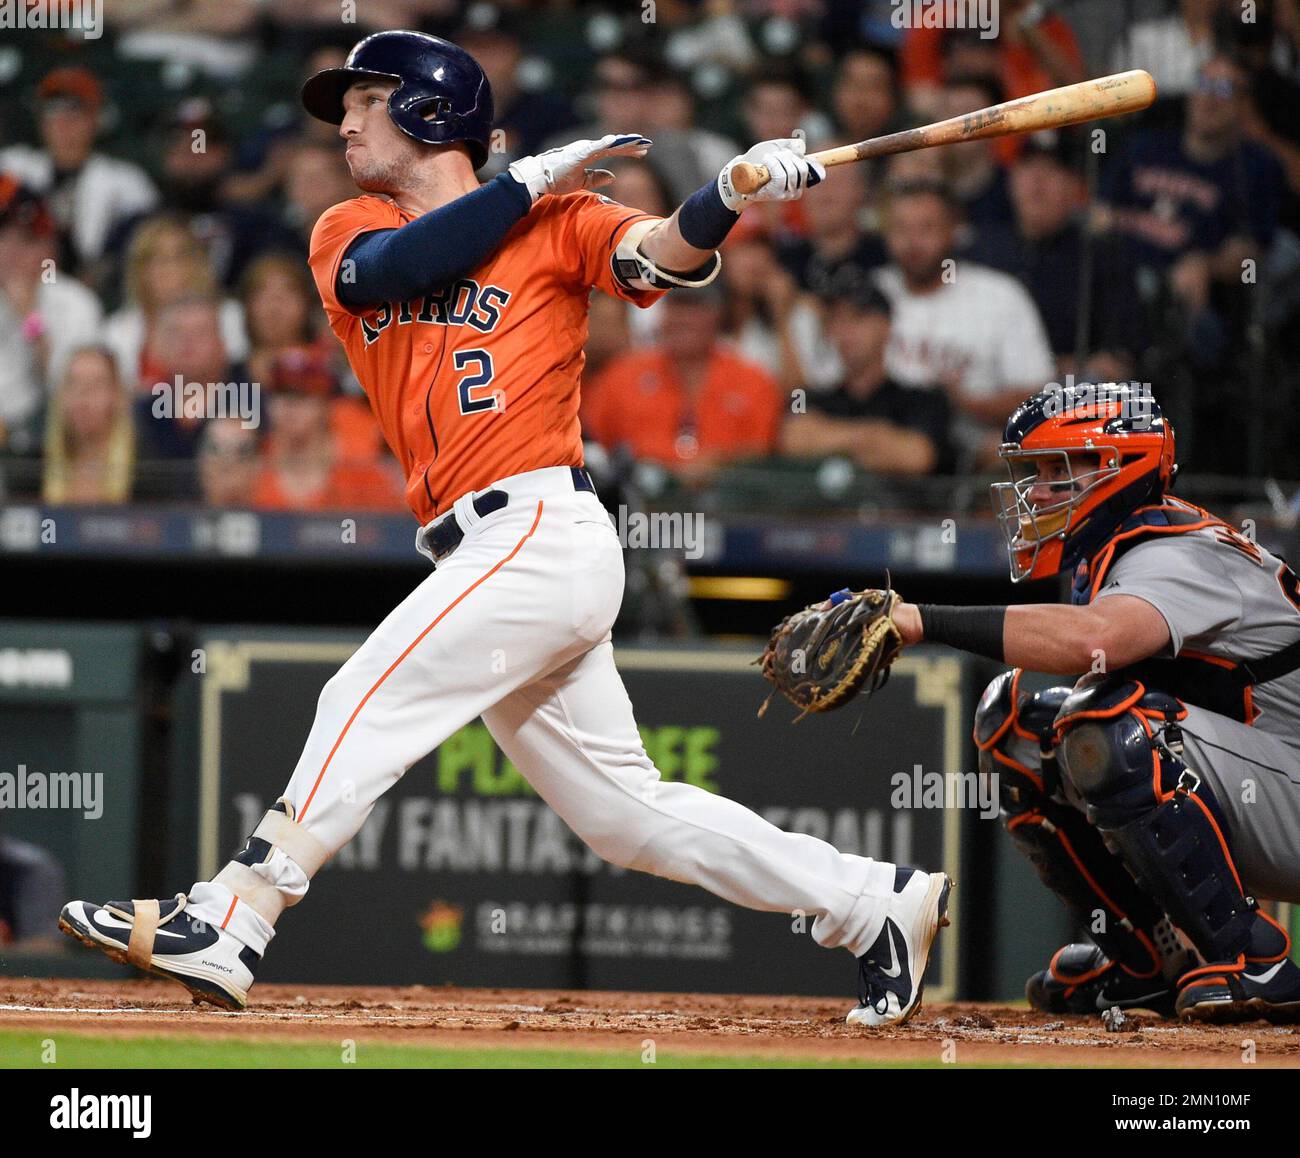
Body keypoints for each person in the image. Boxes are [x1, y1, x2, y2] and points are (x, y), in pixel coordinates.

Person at [59, 30, 950, 1030]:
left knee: (365, 690)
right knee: (625, 817)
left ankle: (236, 910)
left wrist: (727, 197)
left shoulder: (561, 219)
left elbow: (657, 261)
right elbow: (390, 272)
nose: (343, 121)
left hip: (538, 526)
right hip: (483, 548)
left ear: (430, 109)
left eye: (363, 100)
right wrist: (519, 183)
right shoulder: (347, 225)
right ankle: (870, 903)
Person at [883, 382, 1300, 1023]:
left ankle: (1253, 959)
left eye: (1058, 470)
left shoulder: (1174, 550)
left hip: (1289, 789)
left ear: (1118, 468)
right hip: (1271, 782)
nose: (1036, 492)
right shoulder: (1120, 549)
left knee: (1110, 722)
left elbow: (1095, 642)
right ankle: (1144, 964)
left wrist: (918, 620)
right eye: (1036, 472)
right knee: (1017, 715)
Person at [873, 180, 1054, 464]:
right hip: (885, 452)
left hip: (972, 455)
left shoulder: (999, 295)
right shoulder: (868, 294)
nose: (913, 242)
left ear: (954, 230)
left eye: (926, 228)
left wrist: (969, 405)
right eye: (901, 228)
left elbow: (1040, 399)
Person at [584, 286, 784, 487]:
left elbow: (764, 452)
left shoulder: (753, 380)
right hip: (638, 504)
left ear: (718, 315)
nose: (683, 319)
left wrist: (719, 461)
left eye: (694, 308)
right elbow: (591, 446)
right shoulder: (620, 376)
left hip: (730, 504)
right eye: (676, 307)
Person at [0, 67, 158, 288]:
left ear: (96, 120)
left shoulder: (127, 181)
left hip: (98, 289)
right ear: (41, 122)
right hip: (21, 283)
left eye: (76, 113)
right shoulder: (12, 167)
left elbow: (147, 245)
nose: (64, 124)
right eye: (53, 113)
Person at [779, 287, 952, 476]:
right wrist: (875, 436)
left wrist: (825, 435)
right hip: (825, 504)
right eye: (836, 321)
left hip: (897, 504)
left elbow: (916, 457)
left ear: (886, 327)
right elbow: (792, 441)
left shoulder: (923, 399)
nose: (846, 331)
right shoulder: (813, 397)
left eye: (858, 318)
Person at [251, 346, 403, 512]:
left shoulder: (359, 467)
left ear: (325, 404)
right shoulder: (254, 463)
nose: (289, 406)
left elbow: (393, 528)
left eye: (302, 396)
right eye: (280, 394)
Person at [42, 346, 137, 505]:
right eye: (72, 384)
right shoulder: (33, 467)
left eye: (96, 385)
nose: (82, 397)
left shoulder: (145, 469)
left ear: (118, 396)